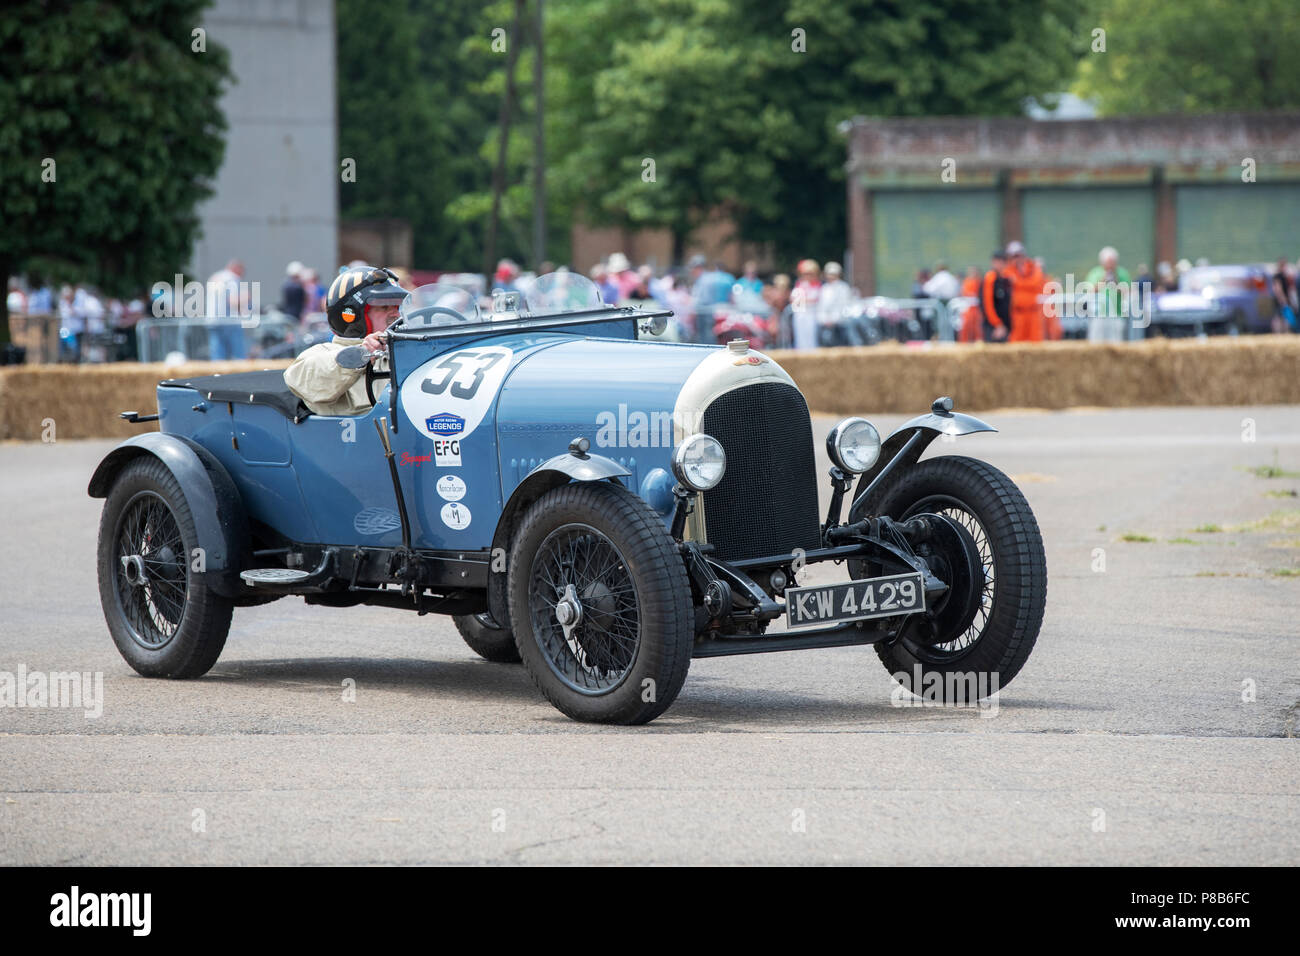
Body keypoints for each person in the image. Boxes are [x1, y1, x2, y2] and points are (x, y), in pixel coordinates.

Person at [284, 266, 406, 416]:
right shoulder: (324, 353)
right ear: (354, 315)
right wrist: (362, 353)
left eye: (396, 306)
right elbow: (304, 379)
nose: (396, 314)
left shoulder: (405, 351)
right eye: (384, 307)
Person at [1004, 241, 1050, 343]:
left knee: (1036, 341)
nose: (1016, 259)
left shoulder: (1033, 267)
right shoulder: (1008, 269)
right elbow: (1009, 279)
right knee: (1017, 341)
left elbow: (1036, 282)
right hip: (1018, 313)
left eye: (1018, 255)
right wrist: (1026, 283)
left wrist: (1018, 282)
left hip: (1034, 311)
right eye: (1013, 256)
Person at [1084, 246, 1131, 342]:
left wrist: (1117, 283)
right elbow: (1089, 292)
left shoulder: (1122, 274)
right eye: (1107, 262)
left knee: (1116, 343)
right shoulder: (1095, 273)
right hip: (1098, 315)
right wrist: (1103, 281)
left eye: (1112, 262)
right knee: (1096, 343)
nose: (1110, 266)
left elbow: (1128, 292)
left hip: (1117, 315)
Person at [206, 259, 248, 359]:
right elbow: (232, 301)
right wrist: (246, 298)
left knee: (217, 356)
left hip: (213, 320)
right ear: (236, 268)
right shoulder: (232, 278)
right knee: (238, 356)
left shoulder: (215, 277)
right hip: (230, 321)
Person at [818, 261, 855, 345]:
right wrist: (824, 320)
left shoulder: (843, 288)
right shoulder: (824, 288)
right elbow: (821, 306)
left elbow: (844, 306)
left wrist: (834, 320)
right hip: (826, 324)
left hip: (840, 324)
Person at [791, 259, 821, 350]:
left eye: (809, 273)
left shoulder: (817, 285)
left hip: (812, 314)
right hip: (800, 314)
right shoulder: (800, 284)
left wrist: (803, 300)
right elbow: (793, 300)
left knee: (811, 337)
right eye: (805, 273)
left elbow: (816, 300)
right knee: (800, 337)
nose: (807, 276)